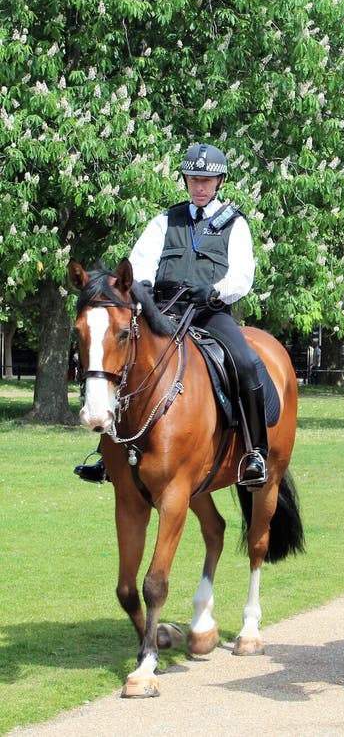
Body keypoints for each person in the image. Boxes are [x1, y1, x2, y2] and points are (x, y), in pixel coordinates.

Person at [75, 142, 269, 488]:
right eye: (194, 179)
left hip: (208, 313)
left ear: (219, 182)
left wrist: (214, 291)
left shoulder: (234, 224)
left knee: (245, 361)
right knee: (124, 358)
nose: (199, 187)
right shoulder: (165, 220)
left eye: (206, 181)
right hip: (164, 309)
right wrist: (144, 289)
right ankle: (107, 452)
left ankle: (255, 452)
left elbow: (242, 275)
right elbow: (138, 264)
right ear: (185, 180)